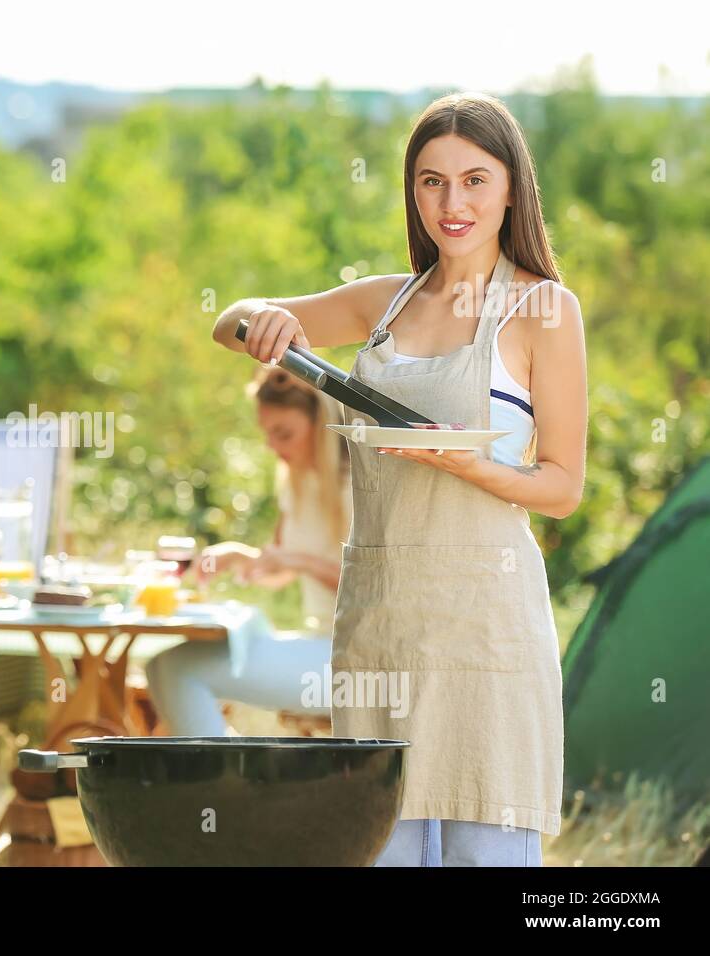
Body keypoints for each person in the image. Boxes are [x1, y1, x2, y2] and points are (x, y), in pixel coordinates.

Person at [212, 91, 586, 867]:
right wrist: (263, 318)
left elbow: (563, 487)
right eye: (431, 182)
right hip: (381, 627)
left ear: (512, 186)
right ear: (412, 193)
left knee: (486, 851)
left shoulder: (544, 309)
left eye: (475, 180)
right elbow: (231, 321)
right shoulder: (386, 302)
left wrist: (472, 465)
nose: (453, 203)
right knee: (380, 847)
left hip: (486, 633)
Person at [145, 364, 348, 735]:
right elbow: (280, 569)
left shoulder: (358, 488)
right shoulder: (298, 483)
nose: (272, 446)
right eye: (267, 434)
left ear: (320, 426)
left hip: (355, 659)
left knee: (179, 669)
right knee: (158, 666)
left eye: (283, 433)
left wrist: (298, 561)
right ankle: (226, 772)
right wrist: (240, 556)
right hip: (316, 641)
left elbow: (374, 589)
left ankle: (227, 781)